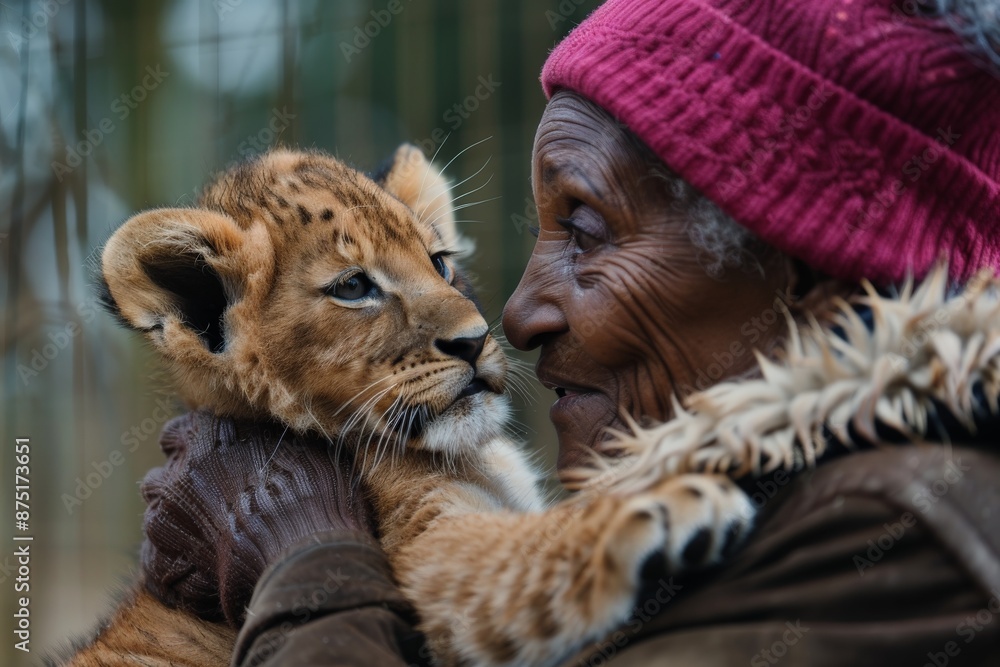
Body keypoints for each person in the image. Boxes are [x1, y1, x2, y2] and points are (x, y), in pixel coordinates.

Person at [140, 0, 1000, 664]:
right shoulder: (768, 517)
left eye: (585, 229)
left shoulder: (906, 534)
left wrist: (305, 562)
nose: (508, 314)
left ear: (816, 277)